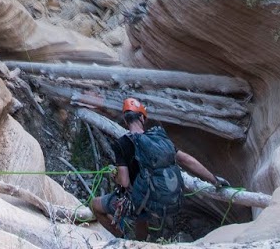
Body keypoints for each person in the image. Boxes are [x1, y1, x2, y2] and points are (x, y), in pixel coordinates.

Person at [85, 96, 227, 240]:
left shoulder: (122, 144)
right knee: (140, 210)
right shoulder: (159, 138)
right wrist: (214, 179)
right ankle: (141, 241)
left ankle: (121, 237)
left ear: (126, 120)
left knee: (95, 205)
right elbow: (187, 160)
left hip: (139, 200)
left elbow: (125, 182)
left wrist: (114, 176)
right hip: (159, 196)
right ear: (142, 118)